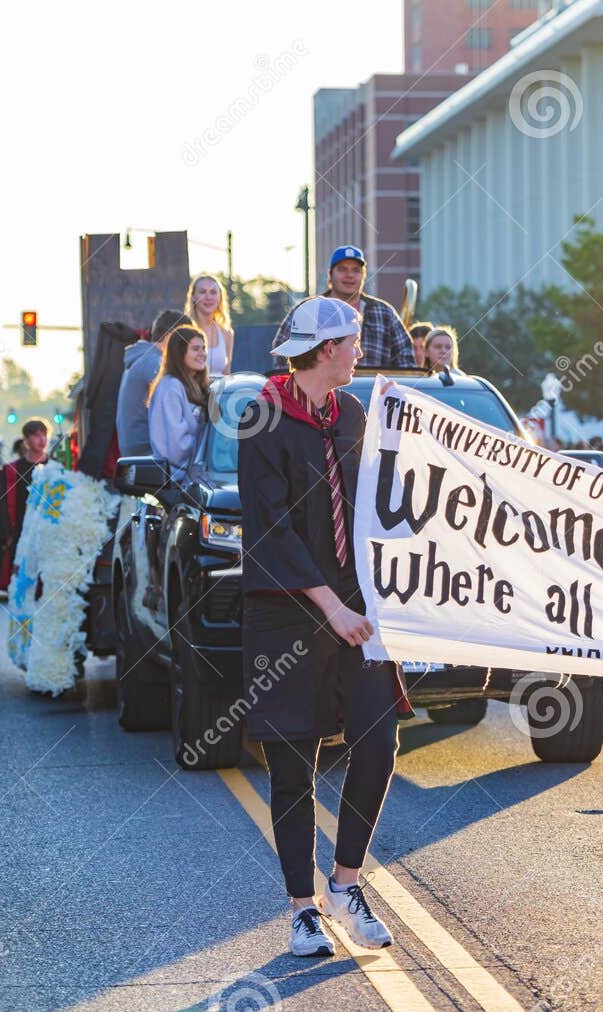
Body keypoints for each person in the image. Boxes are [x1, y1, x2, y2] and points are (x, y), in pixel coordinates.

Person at [240, 296, 403, 957]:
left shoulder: (355, 414)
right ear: (326, 349)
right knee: (292, 767)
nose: (361, 352)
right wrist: (326, 606)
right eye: (354, 342)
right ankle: (303, 910)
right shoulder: (263, 417)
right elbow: (271, 528)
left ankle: (346, 883)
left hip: (354, 610)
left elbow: (374, 505)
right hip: (288, 615)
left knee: (379, 738)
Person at [272, 245, 414, 371]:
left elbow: (406, 359)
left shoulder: (384, 313)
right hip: (317, 396)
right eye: (342, 269)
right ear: (330, 274)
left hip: (371, 396)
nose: (349, 275)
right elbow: (283, 353)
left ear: (363, 276)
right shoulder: (308, 310)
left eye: (356, 270)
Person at [117, 309, 190, 457]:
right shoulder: (154, 363)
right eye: (185, 340)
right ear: (170, 337)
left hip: (135, 449)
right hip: (146, 452)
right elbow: (178, 402)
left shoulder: (145, 356)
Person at [147, 324, 210, 480]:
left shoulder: (196, 385)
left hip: (197, 474)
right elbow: (177, 446)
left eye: (204, 348)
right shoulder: (170, 387)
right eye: (195, 349)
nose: (202, 354)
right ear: (179, 353)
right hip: (179, 480)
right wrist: (209, 448)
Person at [0, 418, 50, 592]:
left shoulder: (55, 467)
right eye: (36, 436)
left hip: (48, 534)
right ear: (26, 440)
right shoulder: (12, 469)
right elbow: (2, 505)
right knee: (21, 587)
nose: (41, 440)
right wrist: (6, 536)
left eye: (44, 435)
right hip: (20, 535)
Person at [184, 274, 235, 376]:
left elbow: (227, 374)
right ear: (193, 297)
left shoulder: (227, 333)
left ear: (220, 297)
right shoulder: (184, 332)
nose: (208, 297)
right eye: (202, 292)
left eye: (213, 292)